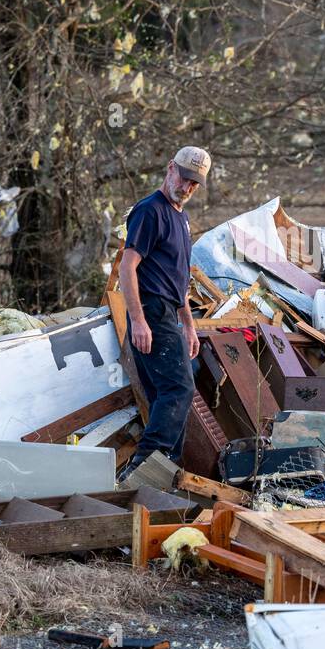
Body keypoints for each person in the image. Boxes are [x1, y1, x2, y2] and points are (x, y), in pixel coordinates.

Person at [118, 146, 211, 474]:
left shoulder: (182, 219)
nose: (186, 188)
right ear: (171, 168)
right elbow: (127, 269)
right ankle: (145, 467)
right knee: (179, 388)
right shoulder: (149, 211)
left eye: (194, 184)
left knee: (167, 395)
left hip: (169, 313)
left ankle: (165, 471)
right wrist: (139, 320)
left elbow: (180, 281)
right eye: (184, 178)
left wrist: (189, 326)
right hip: (151, 312)